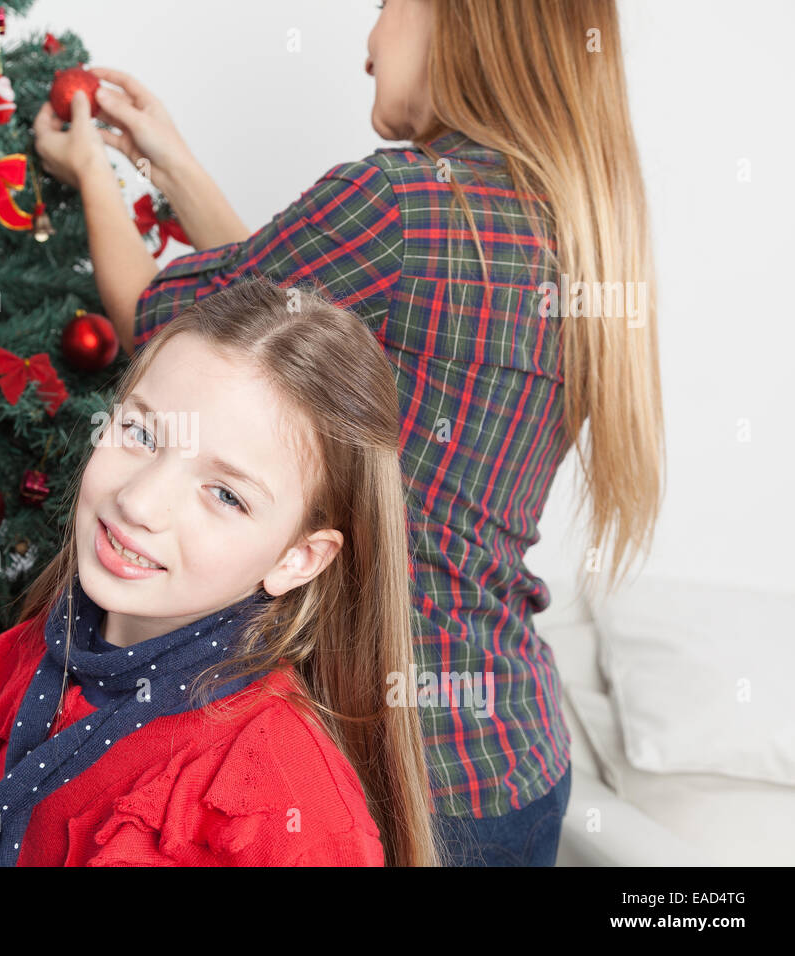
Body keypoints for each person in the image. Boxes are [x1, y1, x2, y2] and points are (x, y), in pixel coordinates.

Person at [32, 0, 664, 865]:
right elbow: (281, 331)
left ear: (462, 23)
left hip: (382, 761)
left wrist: (91, 171)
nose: (370, 44)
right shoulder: (581, 232)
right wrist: (169, 159)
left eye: (383, 6)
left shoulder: (400, 204)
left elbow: (171, 329)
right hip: (514, 757)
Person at [0, 277, 441, 866]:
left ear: (298, 559)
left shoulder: (286, 806)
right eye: (139, 433)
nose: (138, 503)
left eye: (226, 495)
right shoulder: (50, 644)